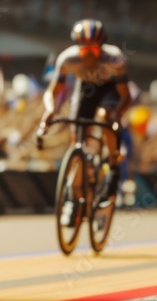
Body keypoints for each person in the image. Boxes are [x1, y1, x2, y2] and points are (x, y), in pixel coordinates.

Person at [38, 19, 132, 219]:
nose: (89, 55)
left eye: (94, 51)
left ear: (101, 47)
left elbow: (125, 96)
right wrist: (49, 111)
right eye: (85, 51)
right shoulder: (67, 59)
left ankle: (113, 163)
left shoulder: (115, 59)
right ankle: (74, 198)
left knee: (105, 116)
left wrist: (117, 115)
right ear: (77, 47)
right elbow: (52, 92)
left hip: (110, 90)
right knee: (77, 139)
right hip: (86, 91)